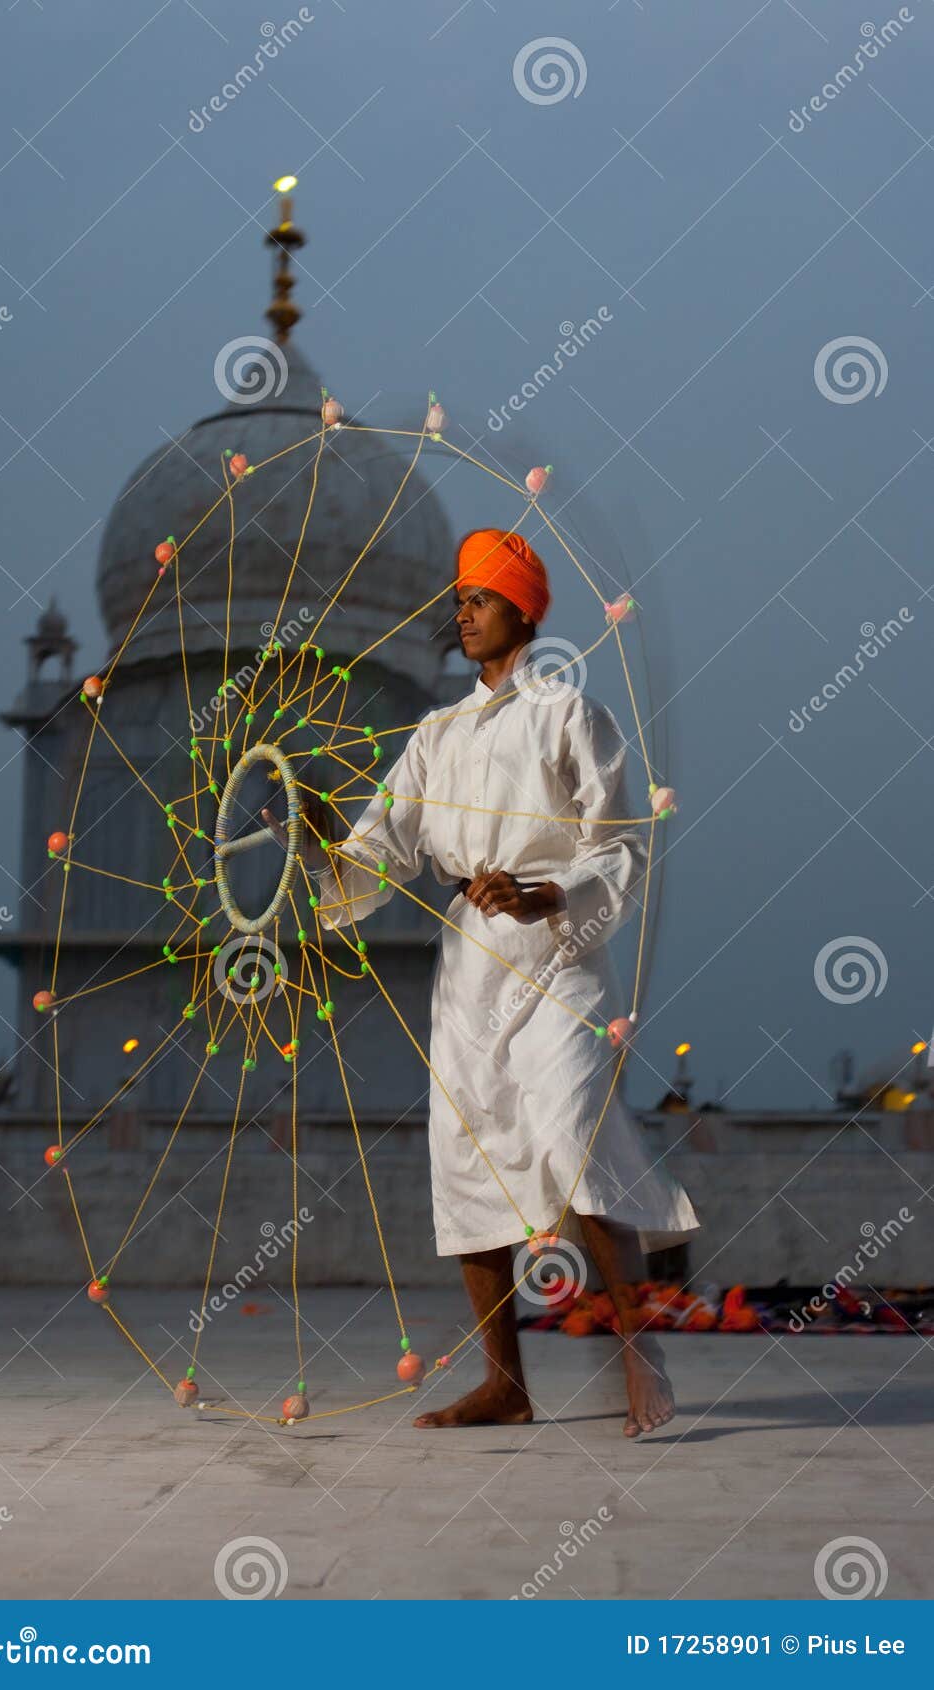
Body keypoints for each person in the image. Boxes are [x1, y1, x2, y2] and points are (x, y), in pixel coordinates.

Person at [263, 529, 698, 1436]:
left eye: (479, 598)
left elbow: (622, 845)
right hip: (469, 963)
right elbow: (372, 858)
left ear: (523, 611)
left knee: (574, 1132)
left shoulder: (571, 715)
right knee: (469, 1159)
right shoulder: (435, 736)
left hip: (559, 958)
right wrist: (313, 833)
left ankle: (639, 1361)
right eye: (457, 599)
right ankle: (507, 1383)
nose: (461, 612)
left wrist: (550, 892)